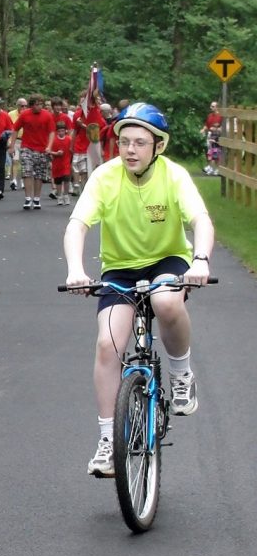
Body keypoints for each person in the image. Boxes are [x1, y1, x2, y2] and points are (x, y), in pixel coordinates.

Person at [62, 102, 213, 477]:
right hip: (120, 268)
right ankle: (108, 440)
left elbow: (200, 220)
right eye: (124, 142)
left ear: (157, 146)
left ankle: (181, 375)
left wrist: (201, 261)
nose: (130, 149)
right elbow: (77, 225)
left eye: (140, 143)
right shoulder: (104, 177)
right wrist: (76, 270)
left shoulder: (174, 176)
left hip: (168, 261)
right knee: (107, 343)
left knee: (165, 301)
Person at [11, 94, 55, 210]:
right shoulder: (25, 114)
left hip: (42, 148)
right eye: (36, 104)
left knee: (39, 175)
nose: (39, 106)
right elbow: (15, 129)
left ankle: (36, 198)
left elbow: (51, 132)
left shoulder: (47, 115)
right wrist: (11, 146)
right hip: (27, 147)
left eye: (40, 104)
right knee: (27, 171)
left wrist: (49, 146)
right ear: (31, 105)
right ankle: (28, 198)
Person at [50, 118, 73, 206]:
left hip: (66, 163)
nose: (61, 132)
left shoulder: (69, 139)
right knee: (58, 181)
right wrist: (55, 153)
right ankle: (59, 196)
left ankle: (66, 195)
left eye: (63, 131)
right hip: (56, 164)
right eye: (59, 131)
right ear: (57, 131)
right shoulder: (54, 140)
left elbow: (72, 149)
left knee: (66, 179)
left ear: (65, 131)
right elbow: (49, 151)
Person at [201, 100, 223, 175]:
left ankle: (217, 168)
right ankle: (210, 167)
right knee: (209, 152)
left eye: (213, 106)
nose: (211, 108)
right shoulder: (210, 116)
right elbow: (207, 125)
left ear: (217, 107)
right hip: (210, 135)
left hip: (217, 136)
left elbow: (222, 127)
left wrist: (216, 129)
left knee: (216, 152)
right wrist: (203, 130)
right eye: (211, 106)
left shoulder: (220, 116)